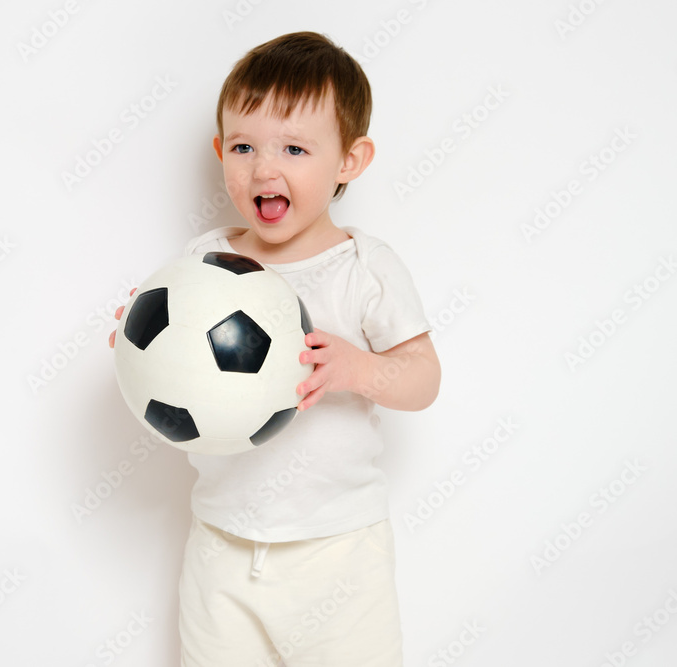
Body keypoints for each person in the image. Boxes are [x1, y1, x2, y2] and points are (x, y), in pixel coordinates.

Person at [109, 31, 441, 667]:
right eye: (243, 146)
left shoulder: (364, 268)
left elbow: (424, 379)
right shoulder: (202, 267)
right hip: (222, 545)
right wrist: (140, 343)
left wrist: (362, 369)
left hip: (338, 551)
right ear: (219, 152)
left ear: (349, 159)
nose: (264, 168)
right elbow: (168, 367)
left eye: (294, 147)